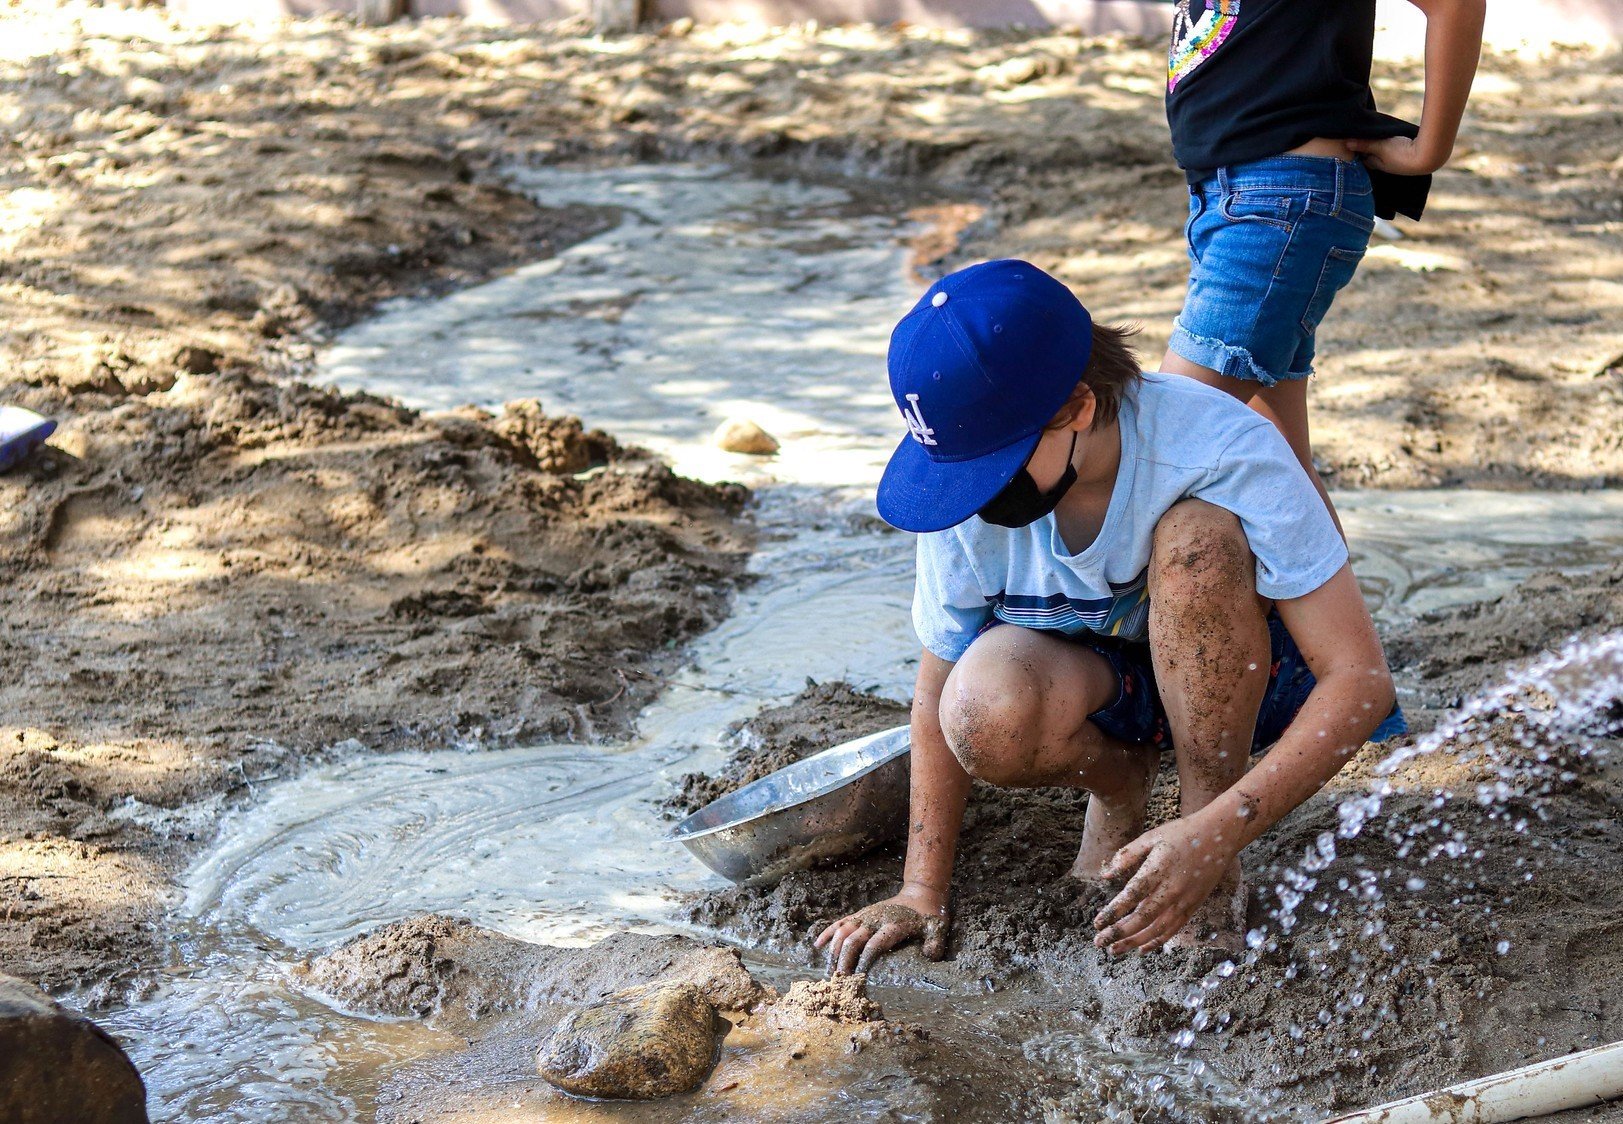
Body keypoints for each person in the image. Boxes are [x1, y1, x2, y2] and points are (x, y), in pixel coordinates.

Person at [815, 260, 1399, 973]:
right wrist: (918, 890)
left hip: (1248, 680)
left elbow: (1359, 680)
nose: (973, 494)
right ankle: (1120, 779)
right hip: (1097, 685)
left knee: (1197, 545)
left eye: (994, 467)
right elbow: (936, 687)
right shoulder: (965, 498)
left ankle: (1200, 843)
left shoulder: (1218, 447)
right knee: (978, 706)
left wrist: (1216, 832)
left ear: (1077, 410)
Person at [1160, 0, 1485, 530]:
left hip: (1280, 203)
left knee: (1164, 440)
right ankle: (1336, 617)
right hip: (1228, 199)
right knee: (1282, 468)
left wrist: (1430, 148)